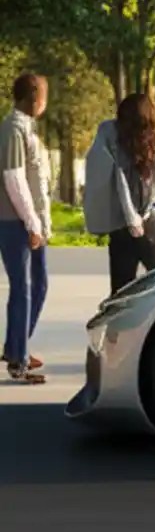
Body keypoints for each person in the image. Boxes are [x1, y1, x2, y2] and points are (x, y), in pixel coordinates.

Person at [0, 73, 50, 383]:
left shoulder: (25, 128)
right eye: (45, 95)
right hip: (15, 221)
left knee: (38, 285)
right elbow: (14, 180)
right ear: (34, 98)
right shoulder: (13, 130)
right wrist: (32, 224)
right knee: (24, 288)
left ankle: (16, 346)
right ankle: (17, 361)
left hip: (31, 221)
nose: (46, 102)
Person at [105, 94, 155, 294]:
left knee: (121, 291)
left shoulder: (118, 145)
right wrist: (146, 212)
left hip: (120, 224)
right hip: (151, 221)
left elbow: (120, 182)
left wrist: (130, 217)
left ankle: (119, 325)